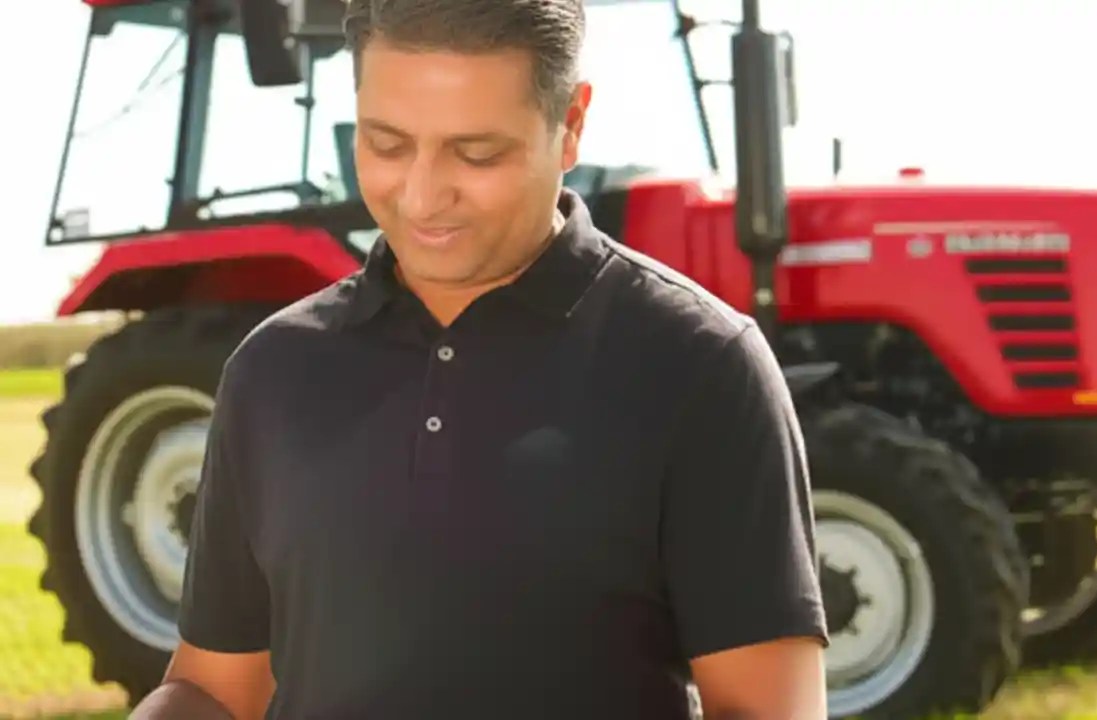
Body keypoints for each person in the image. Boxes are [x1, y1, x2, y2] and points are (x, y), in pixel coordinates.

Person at [130, 0, 829, 717]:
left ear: (571, 128)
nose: (423, 197)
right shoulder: (271, 372)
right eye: (386, 143)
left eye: (477, 154)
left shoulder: (702, 366)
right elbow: (215, 687)